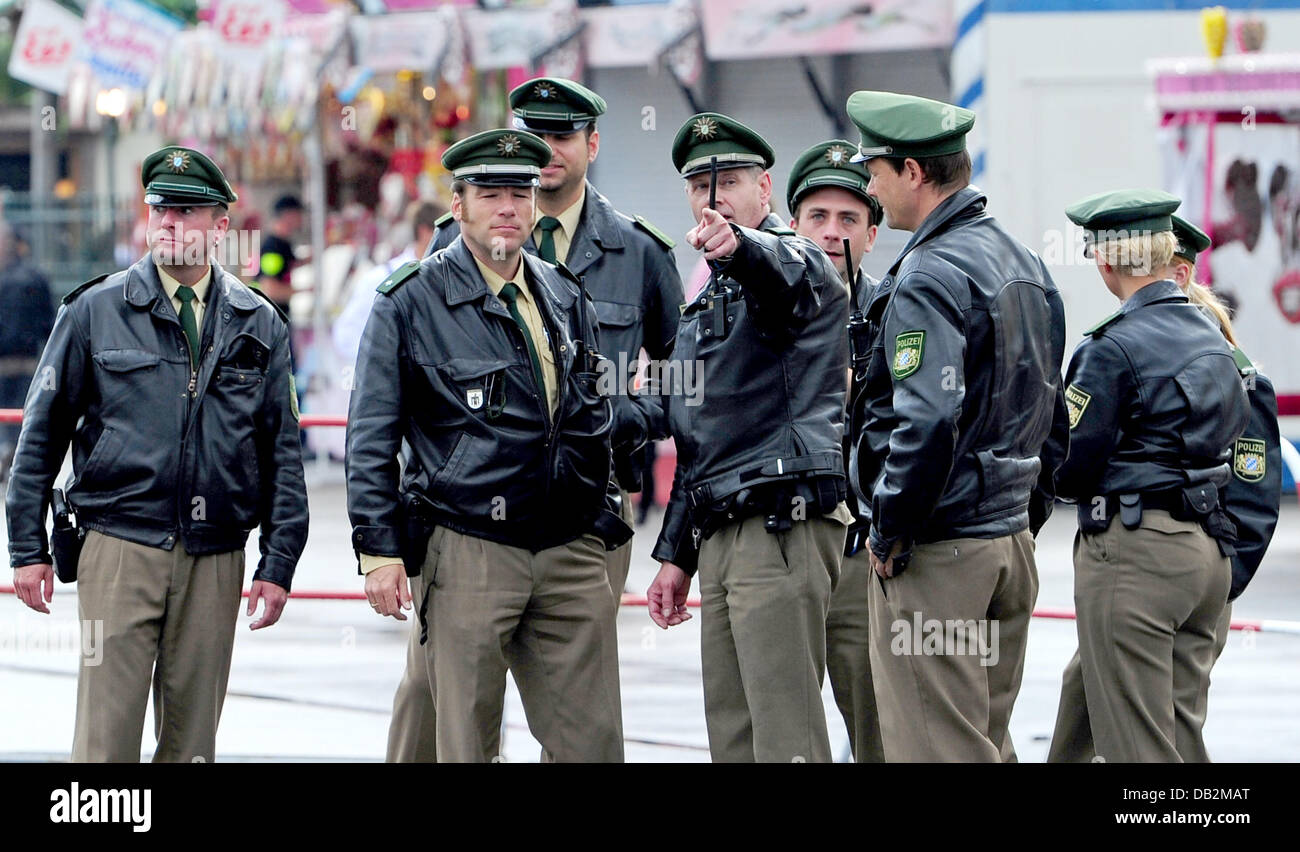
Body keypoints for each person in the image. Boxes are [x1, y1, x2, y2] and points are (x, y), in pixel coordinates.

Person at [399, 77, 682, 763]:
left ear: (592, 143)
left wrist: (609, 418)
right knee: (433, 705)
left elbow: (682, 383)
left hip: (586, 514)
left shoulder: (639, 251)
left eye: (561, 136)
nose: (547, 151)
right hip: (465, 519)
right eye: (535, 137)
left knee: (577, 713)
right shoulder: (450, 240)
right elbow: (413, 375)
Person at [6, 146, 309, 762]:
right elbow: (41, 435)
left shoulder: (260, 322)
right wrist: (27, 548)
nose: (170, 223)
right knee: (104, 738)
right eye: (160, 210)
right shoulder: (94, 311)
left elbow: (282, 452)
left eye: (188, 211)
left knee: (194, 741)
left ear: (221, 226)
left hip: (216, 554)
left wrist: (279, 560)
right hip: (118, 546)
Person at [346, 129, 627, 763]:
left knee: (595, 743)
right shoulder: (410, 302)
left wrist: (600, 509)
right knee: (466, 741)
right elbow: (370, 438)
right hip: (470, 546)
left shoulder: (561, 292)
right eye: (491, 193)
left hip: (568, 546)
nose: (508, 206)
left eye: (520, 192)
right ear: (459, 203)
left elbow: (590, 412)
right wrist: (378, 551)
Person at [844, 91, 1068, 762]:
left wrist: (889, 526)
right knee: (983, 741)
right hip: (1006, 544)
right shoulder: (1025, 263)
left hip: (940, 552)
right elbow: (1051, 413)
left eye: (874, 171)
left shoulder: (928, 273)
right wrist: (1025, 513)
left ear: (912, 172)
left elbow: (928, 415)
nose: (869, 189)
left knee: (937, 748)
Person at [645, 113, 851, 763]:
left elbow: (788, 268)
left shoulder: (791, 261)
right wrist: (676, 552)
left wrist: (740, 248)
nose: (714, 200)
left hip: (780, 522)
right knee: (734, 734)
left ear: (766, 188)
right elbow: (695, 431)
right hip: (724, 529)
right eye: (701, 187)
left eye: (729, 181)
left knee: (786, 733)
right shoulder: (704, 293)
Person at [1047, 212, 1281, 763]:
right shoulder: (1218, 353)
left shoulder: (1131, 348)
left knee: (1145, 745)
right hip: (1188, 565)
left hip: (1145, 557)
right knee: (1097, 712)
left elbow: (1252, 491)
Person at [785, 138, 885, 763]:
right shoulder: (758, 307)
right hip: (781, 543)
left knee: (878, 723)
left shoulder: (898, 309)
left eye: (849, 218)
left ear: (872, 233)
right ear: (792, 225)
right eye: (817, 217)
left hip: (862, 555)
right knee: (785, 728)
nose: (830, 232)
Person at [0, 222, 55, 482]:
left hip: (9, 362)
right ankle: (13, 460)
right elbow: (49, 323)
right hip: (29, 362)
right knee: (24, 417)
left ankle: (7, 455)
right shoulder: (35, 277)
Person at [256, 195, 304, 319]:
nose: (302, 219)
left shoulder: (283, 245)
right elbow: (270, 289)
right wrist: (308, 290)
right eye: (299, 214)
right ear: (289, 215)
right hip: (272, 321)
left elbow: (291, 264)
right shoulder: (273, 248)